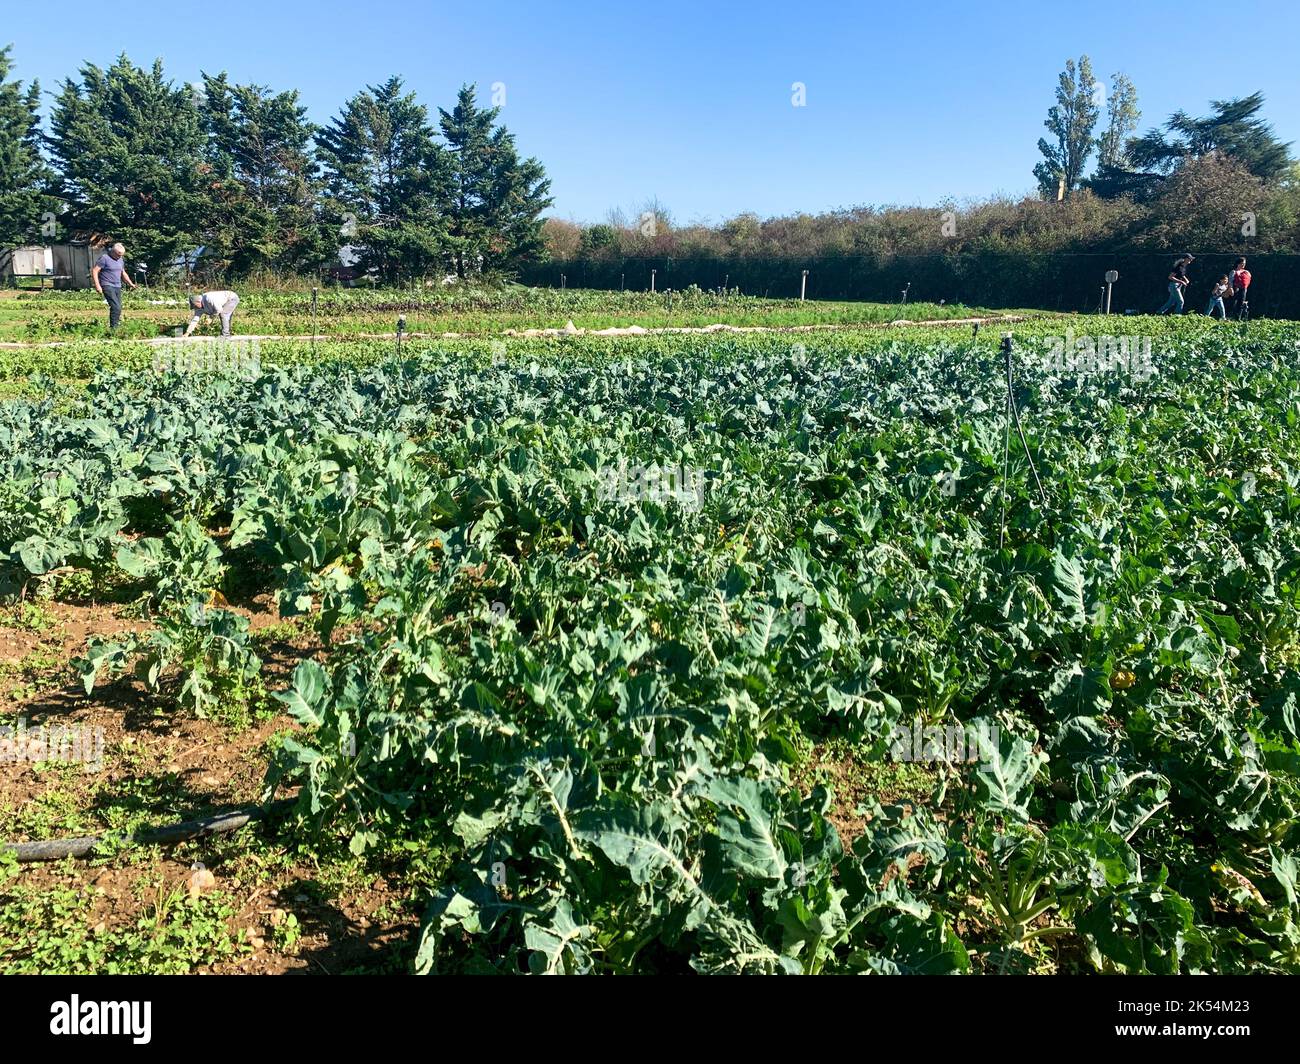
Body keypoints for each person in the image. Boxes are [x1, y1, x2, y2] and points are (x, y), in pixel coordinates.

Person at [91, 243, 138, 332]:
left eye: (121, 255)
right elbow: (95, 271)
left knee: (118, 306)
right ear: (113, 251)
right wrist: (97, 285)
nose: (119, 257)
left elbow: (123, 273)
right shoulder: (105, 258)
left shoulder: (120, 260)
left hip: (117, 286)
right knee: (116, 306)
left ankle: (116, 325)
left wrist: (130, 284)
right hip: (107, 285)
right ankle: (114, 328)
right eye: (118, 255)